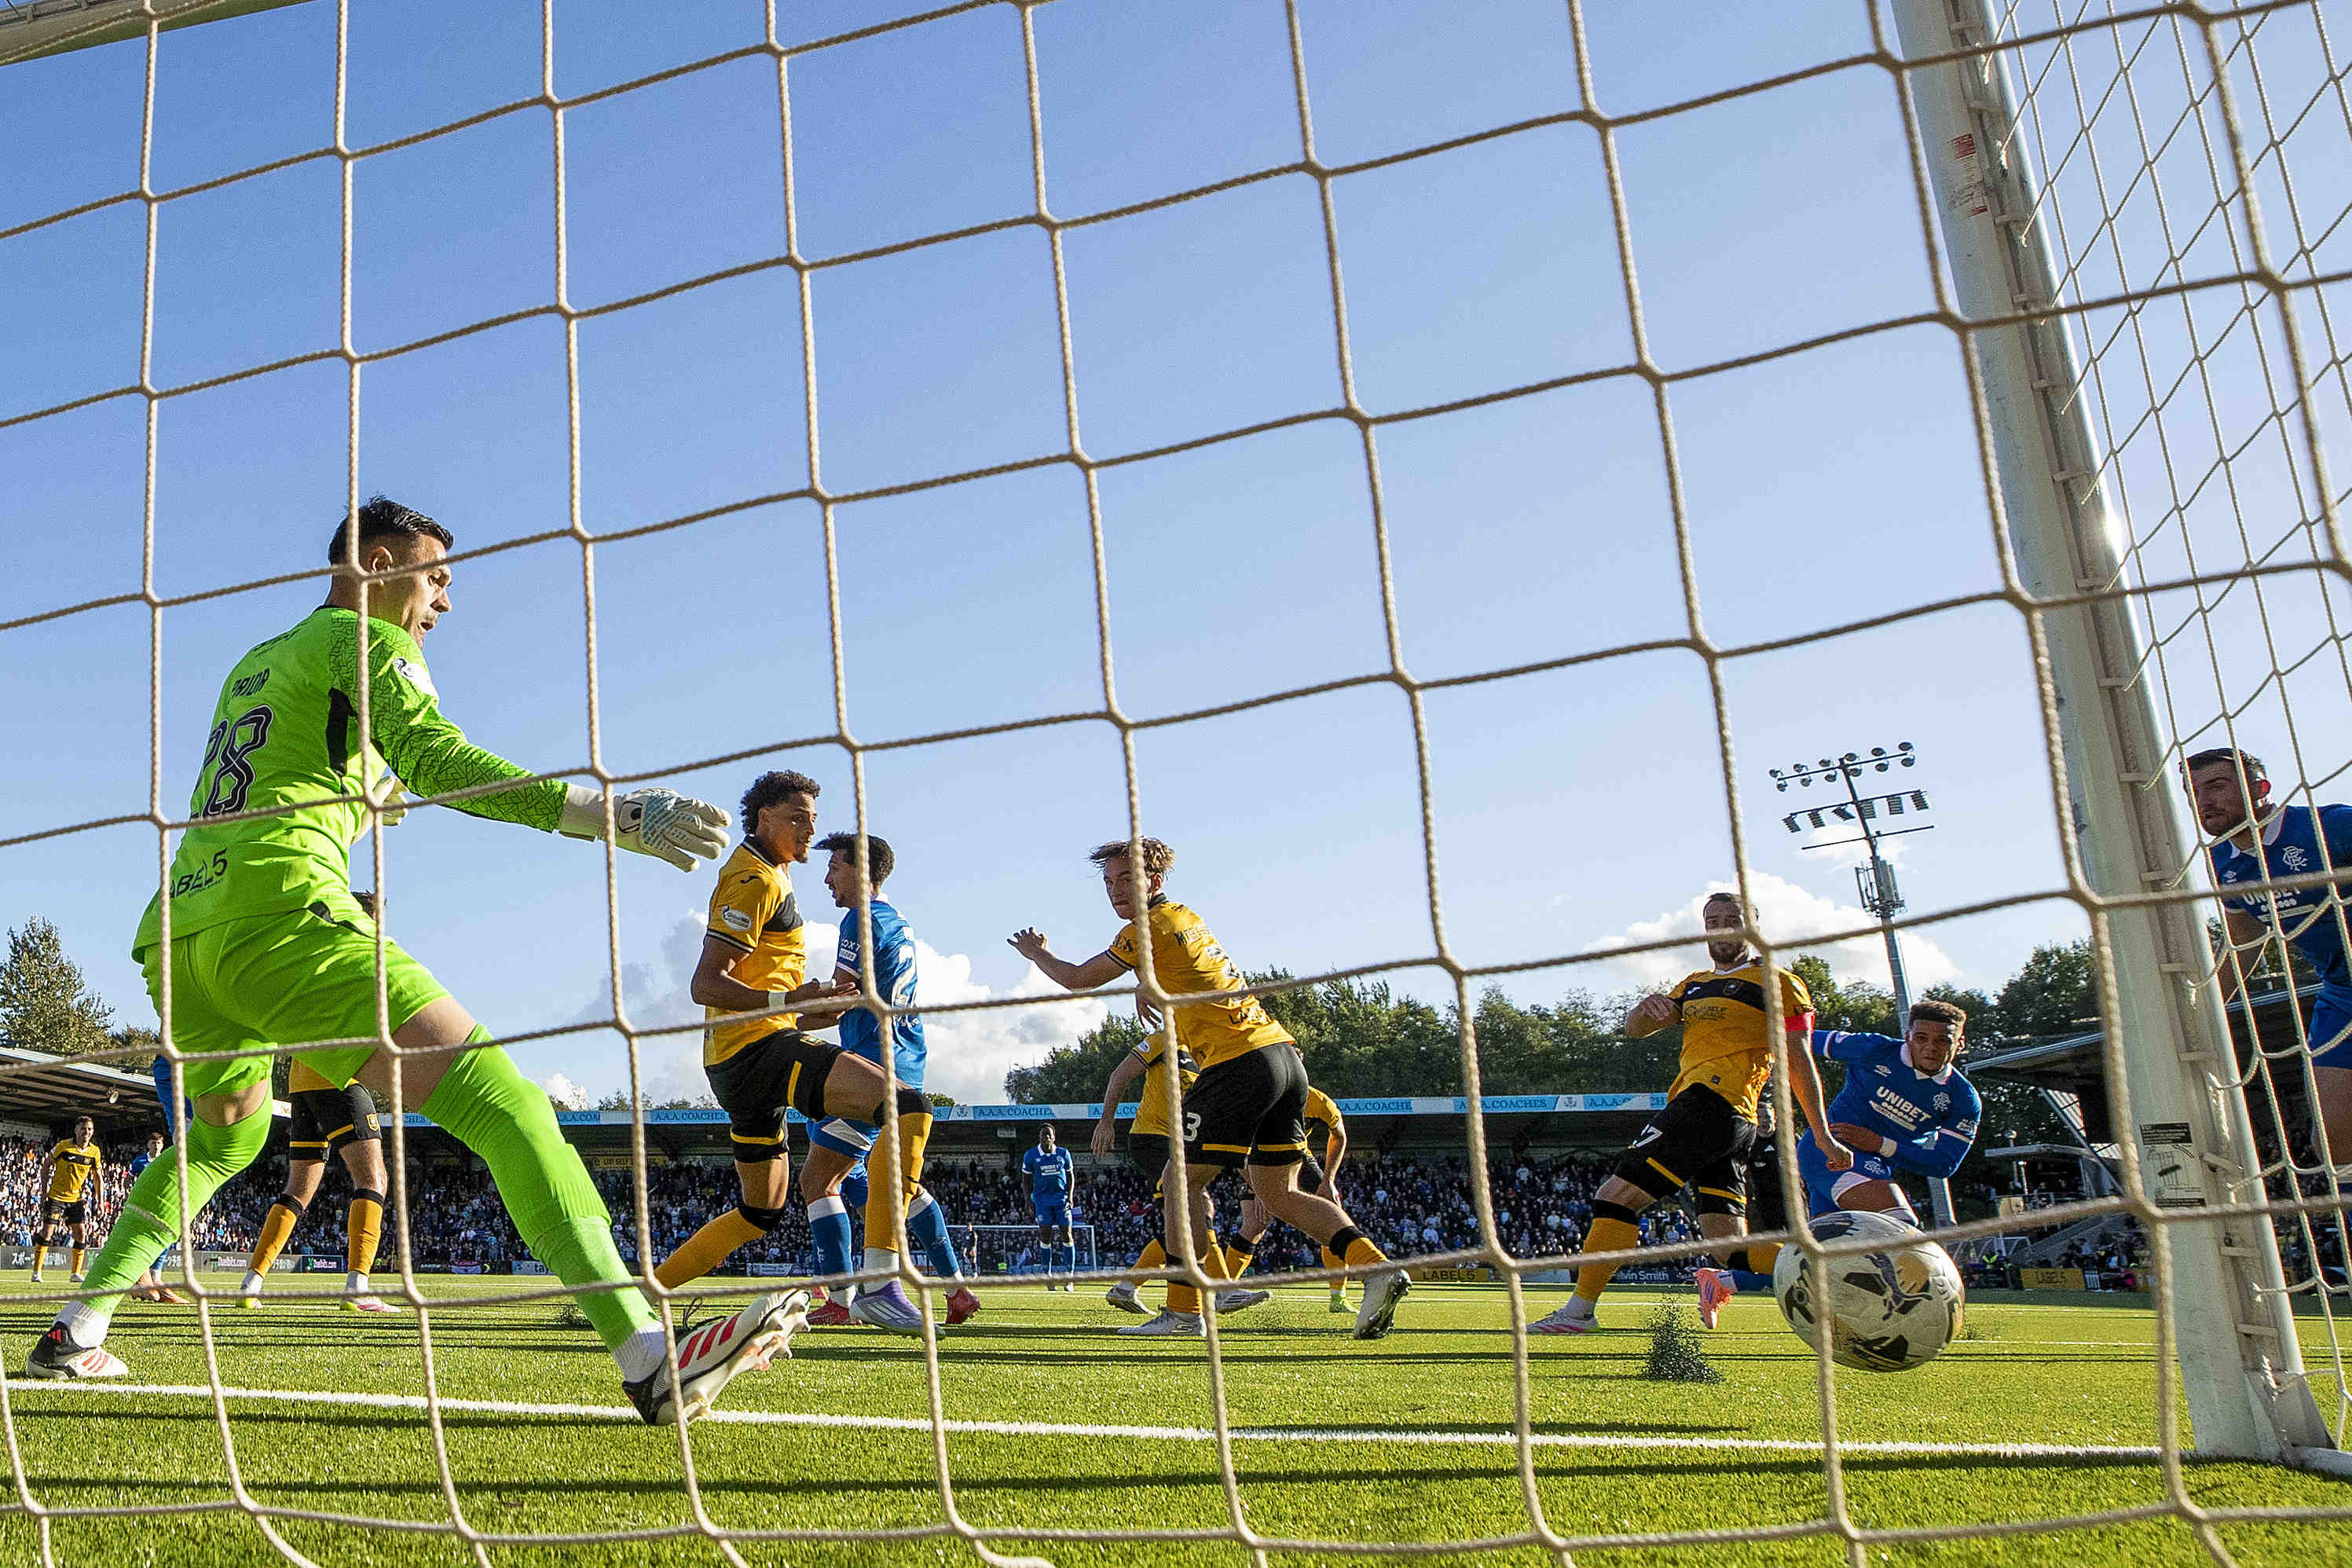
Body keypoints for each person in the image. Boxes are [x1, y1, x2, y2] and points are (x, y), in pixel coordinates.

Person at [25, 496, 807, 1428]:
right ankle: (646, 1353)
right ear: (380, 563)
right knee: (505, 1104)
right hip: (282, 914)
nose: (444, 601)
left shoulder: (260, 659)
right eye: (436, 577)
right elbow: (436, 757)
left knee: (229, 1136)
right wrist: (608, 813)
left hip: (183, 932)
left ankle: (78, 1325)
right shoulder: (372, 639)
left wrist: (368, 785)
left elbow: (300, 768)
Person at [1014, 838, 1406, 1339]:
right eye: (1109, 882)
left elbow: (1077, 979)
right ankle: (1376, 1268)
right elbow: (1187, 970)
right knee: (1280, 1193)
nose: (1115, 891)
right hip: (1283, 1059)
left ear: (1154, 881)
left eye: (1127, 879)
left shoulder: (1142, 930)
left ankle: (1183, 1312)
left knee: (1180, 1183)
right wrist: (1146, 983)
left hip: (1236, 1064)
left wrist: (1037, 953)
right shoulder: (1185, 918)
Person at [650, 772, 941, 1340]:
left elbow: (770, 995)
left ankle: (647, 1294)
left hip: (742, 1059)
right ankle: (879, 1286)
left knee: (760, 1212)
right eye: (798, 817)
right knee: (907, 1106)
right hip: (756, 1051)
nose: (810, 829)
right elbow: (706, 984)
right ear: (764, 818)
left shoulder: (769, 874)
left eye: (812, 818)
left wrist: (815, 1009)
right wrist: (790, 1002)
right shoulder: (754, 881)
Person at [1533, 890, 1848, 1335]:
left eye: (1731, 919)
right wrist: (1645, 1011)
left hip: (1712, 1105)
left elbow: (1800, 1060)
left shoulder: (1779, 982)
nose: (1721, 928)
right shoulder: (1694, 984)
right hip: (1724, 1116)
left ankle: (1578, 1312)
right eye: (1712, 921)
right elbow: (1636, 1030)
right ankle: (1839, 1273)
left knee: (1616, 1196)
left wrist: (1822, 1134)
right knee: (1726, 1246)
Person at [1694, 999, 1979, 1325]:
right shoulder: (1874, 1049)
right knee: (1901, 1227)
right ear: (1908, 1036)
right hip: (1827, 1153)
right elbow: (1797, 1039)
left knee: (1822, 1261)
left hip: (1872, 1167)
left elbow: (1942, 1164)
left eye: (1942, 1040)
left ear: (1960, 1043)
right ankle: (1924, 1320)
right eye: (1922, 1038)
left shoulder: (1963, 1098)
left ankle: (1723, 1281)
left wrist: (1879, 1144)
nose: (1930, 1048)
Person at [797, 830, 978, 1330]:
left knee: (819, 1179)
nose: (827, 878)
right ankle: (955, 1287)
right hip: (905, 1060)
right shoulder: (897, 922)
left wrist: (777, 1022)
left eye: (835, 867)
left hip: (869, 1067)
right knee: (885, 1186)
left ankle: (843, 1299)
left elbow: (842, 997)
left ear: (861, 871)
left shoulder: (858, 919)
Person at [2187, 747, 2352, 1170]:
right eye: (2194, 792)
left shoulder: (2332, 827)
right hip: (2343, 995)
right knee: (2332, 1141)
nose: (2205, 801)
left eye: (2217, 786)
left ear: (2261, 789)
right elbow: (2244, 937)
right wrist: (2200, 1013)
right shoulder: (2223, 861)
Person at [1094, 1009, 1265, 1316]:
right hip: (1151, 1139)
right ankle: (1222, 1291)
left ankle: (1127, 1287)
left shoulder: (1209, 1055)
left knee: (1184, 1219)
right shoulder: (1162, 1041)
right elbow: (1120, 1075)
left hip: (1182, 1144)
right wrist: (1107, 1122)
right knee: (1197, 1205)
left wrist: (1247, 1172)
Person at [237, 1055, 395, 1313]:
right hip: (338, 1075)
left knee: (296, 1191)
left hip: (301, 1082)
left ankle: (250, 1284)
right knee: (373, 1179)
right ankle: (357, 1289)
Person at [1225, 1079, 1350, 1314]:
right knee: (1255, 1224)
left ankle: (1338, 1296)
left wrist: (1328, 1181)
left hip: (1297, 1156)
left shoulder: (1319, 1102)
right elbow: (1236, 1146)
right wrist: (1259, 1189)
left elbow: (1339, 1136)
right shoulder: (1256, 1097)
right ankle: (1222, 1290)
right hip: (1253, 1160)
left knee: (1332, 1211)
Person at [30, 1117, 103, 1284]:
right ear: (76, 1130)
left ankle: (75, 1274)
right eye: (83, 1129)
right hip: (56, 1196)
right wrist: (44, 1192)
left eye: (90, 1129)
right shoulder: (63, 1146)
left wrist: (100, 1201)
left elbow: (98, 1177)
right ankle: (36, 1272)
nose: (86, 1132)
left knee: (81, 1234)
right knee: (47, 1232)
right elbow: (46, 1165)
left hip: (76, 1199)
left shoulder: (95, 1152)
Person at [126, 1132, 189, 1306]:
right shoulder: (139, 1162)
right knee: (146, 1239)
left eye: (159, 1143)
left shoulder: (167, 1159)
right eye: (154, 1143)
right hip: (144, 1207)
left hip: (164, 1207)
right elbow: (128, 1179)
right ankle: (145, 1280)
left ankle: (154, 1279)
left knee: (167, 1237)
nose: (157, 1146)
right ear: (148, 1144)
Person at [1020, 1126, 1076, 1291]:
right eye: (1043, 1135)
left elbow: (1071, 1176)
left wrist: (1070, 1196)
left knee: (1067, 1233)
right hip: (1042, 1201)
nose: (1045, 1137)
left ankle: (1069, 1277)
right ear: (1039, 1138)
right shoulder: (1031, 1155)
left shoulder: (1063, 1154)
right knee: (1045, 1235)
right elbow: (1026, 1180)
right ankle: (1048, 1276)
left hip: (1061, 1200)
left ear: (1054, 1137)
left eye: (1048, 1135)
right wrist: (1028, 1201)